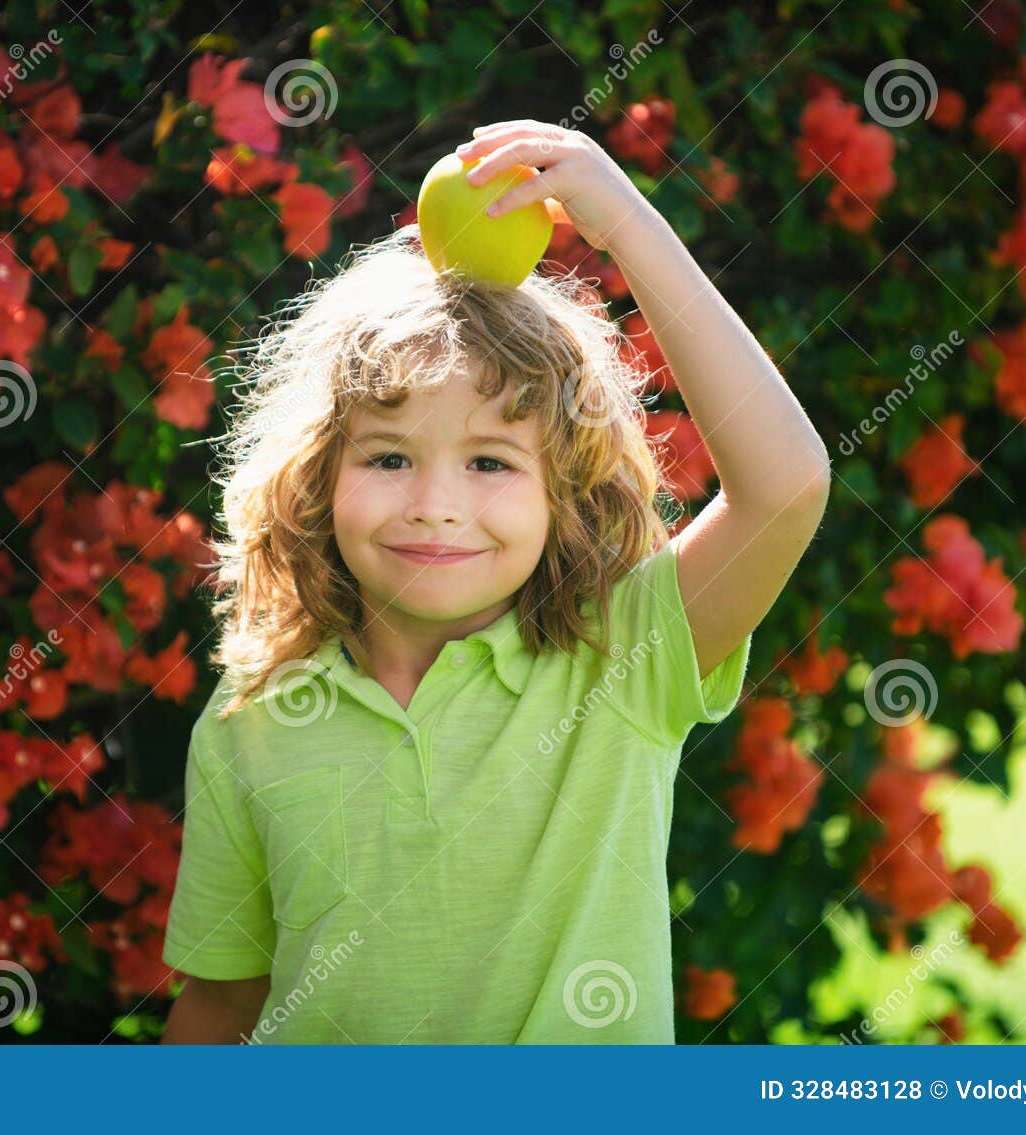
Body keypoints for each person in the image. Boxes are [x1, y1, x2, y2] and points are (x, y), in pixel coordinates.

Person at [161, 120, 830, 1044]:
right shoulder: (261, 714)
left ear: (569, 492)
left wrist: (625, 223)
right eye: (389, 457)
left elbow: (786, 486)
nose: (436, 505)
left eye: (490, 464)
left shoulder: (625, 657)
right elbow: (222, 1005)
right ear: (316, 477)